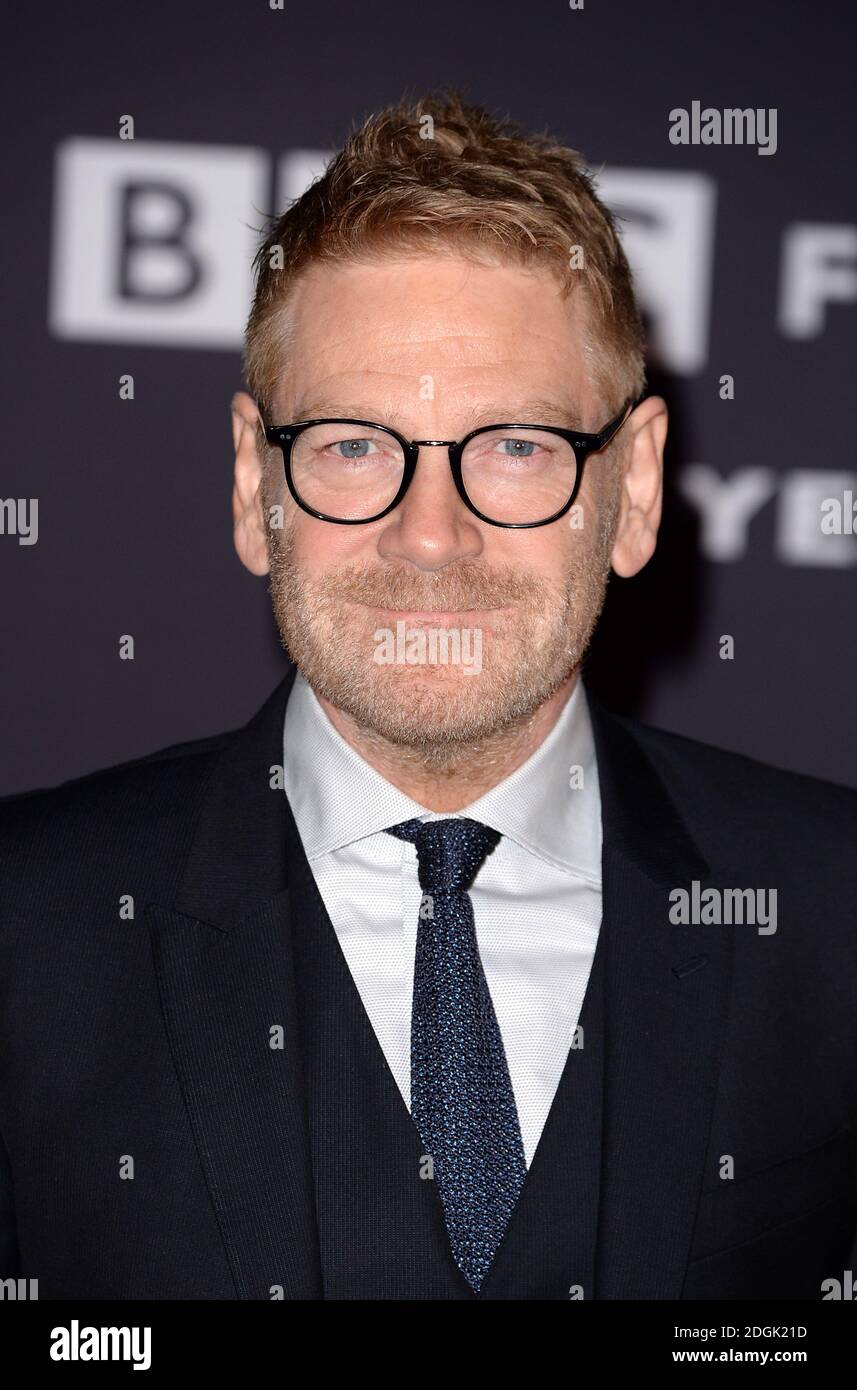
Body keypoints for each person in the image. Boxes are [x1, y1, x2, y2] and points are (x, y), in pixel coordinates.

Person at [1, 92, 855, 1301]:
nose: (432, 536)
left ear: (638, 486)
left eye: (513, 445)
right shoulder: (26, 931)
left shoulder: (830, 914)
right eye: (352, 444)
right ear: (257, 486)